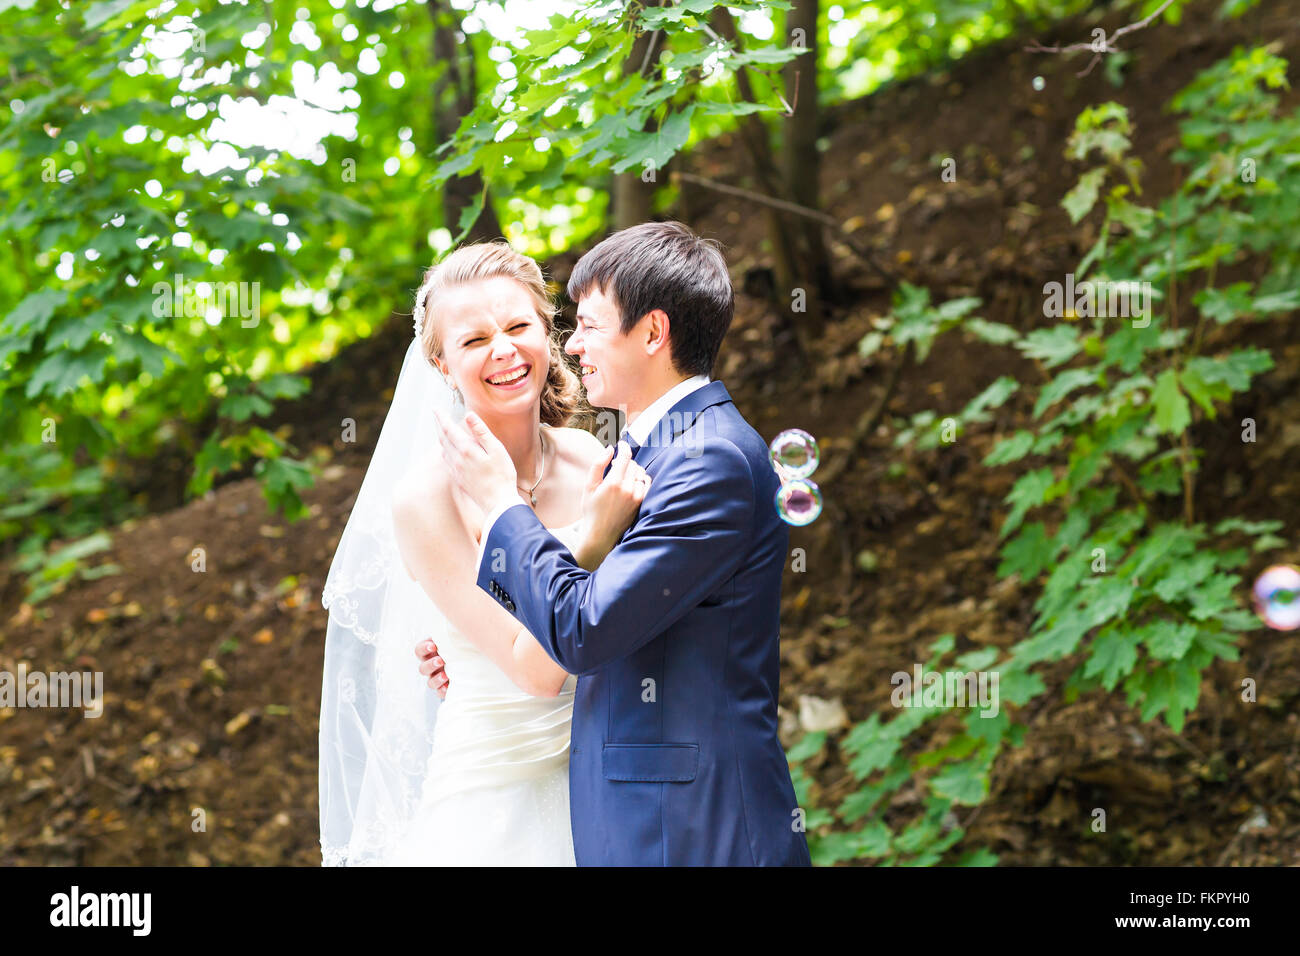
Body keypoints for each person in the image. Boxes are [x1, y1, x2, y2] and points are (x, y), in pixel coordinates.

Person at [428, 221, 811, 866]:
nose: (572, 345)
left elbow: (583, 629)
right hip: (635, 817)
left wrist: (499, 504)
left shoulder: (706, 460)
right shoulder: (646, 450)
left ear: (654, 332)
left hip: (692, 828)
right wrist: (467, 653)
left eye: (590, 325)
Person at [319, 242, 648, 865]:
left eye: (519, 326)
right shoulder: (425, 501)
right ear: (441, 364)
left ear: (549, 334)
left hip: (610, 781)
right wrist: (592, 539)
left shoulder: (592, 462)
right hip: (494, 800)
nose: (503, 350)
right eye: (473, 340)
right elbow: (534, 672)